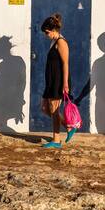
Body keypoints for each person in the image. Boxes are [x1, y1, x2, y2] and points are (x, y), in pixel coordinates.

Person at [40, 13, 76, 149]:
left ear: (54, 30)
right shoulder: (53, 41)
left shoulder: (61, 42)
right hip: (51, 80)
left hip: (59, 81)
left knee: (54, 110)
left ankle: (56, 140)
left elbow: (66, 63)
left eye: (47, 32)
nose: (46, 35)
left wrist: (65, 84)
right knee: (45, 108)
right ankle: (68, 126)